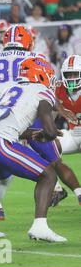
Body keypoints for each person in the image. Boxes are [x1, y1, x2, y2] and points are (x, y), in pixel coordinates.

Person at [0, 24, 79, 221]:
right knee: (54, 161)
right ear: (28, 41)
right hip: (33, 113)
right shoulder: (36, 58)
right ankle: (71, 192)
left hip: (4, 117)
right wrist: (59, 109)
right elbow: (48, 90)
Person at [0, 56, 67, 242]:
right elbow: (50, 131)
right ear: (41, 74)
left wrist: (36, 133)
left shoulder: (11, 88)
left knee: (3, 178)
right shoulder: (41, 91)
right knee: (48, 174)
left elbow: (11, 123)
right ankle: (40, 226)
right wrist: (47, 133)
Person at [52, 55, 81, 206]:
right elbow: (51, 115)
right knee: (47, 146)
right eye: (68, 74)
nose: (71, 78)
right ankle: (57, 189)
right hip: (73, 133)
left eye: (74, 74)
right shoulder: (58, 88)